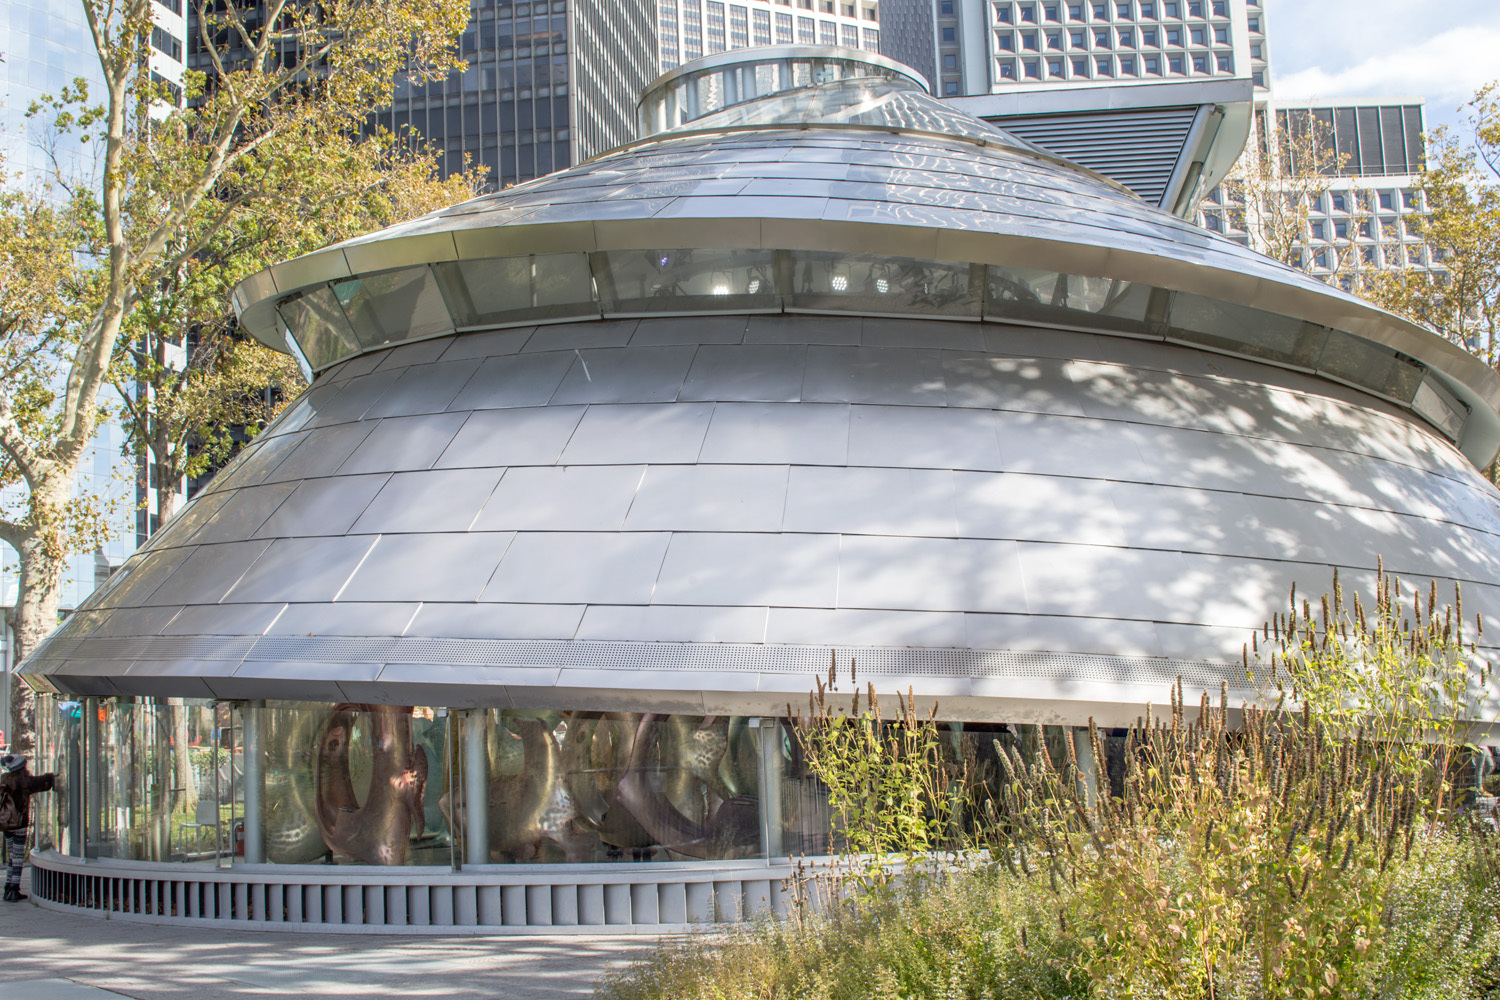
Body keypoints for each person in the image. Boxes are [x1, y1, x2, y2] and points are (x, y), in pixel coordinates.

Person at [0, 754, 56, 903]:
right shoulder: (24, 781)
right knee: (18, 858)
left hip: (6, 823)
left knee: (12, 856)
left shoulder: (5, 779)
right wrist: (52, 776)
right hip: (19, 824)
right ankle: (14, 890)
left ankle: (7, 888)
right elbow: (42, 781)